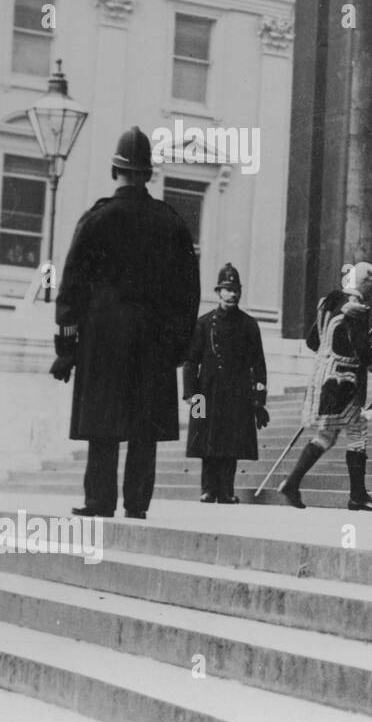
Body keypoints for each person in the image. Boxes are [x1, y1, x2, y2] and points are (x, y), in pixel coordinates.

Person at [51, 126, 200, 520]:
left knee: (103, 423)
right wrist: (179, 347)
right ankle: (138, 506)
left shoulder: (97, 218)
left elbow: (71, 287)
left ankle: (99, 502)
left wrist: (66, 348)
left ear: (113, 169)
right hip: (154, 341)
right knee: (143, 428)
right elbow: (189, 293)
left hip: (101, 339)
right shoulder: (171, 222)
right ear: (149, 174)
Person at [279, 262, 372, 509]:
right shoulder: (356, 307)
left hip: (324, 378)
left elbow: (313, 342)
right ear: (365, 282)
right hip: (346, 381)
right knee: (357, 430)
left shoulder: (329, 303)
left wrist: (331, 351)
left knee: (326, 435)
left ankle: (292, 483)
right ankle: (358, 496)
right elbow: (361, 350)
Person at [182, 263, 269, 503]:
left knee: (232, 440)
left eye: (235, 290)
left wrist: (258, 399)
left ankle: (227, 491)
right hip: (204, 393)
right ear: (218, 292)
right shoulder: (203, 323)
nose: (231, 294)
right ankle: (208, 489)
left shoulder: (249, 325)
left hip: (237, 393)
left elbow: (258, 364)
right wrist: (191, 395)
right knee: (204, 437)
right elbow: (191, 361)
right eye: (227, 289)